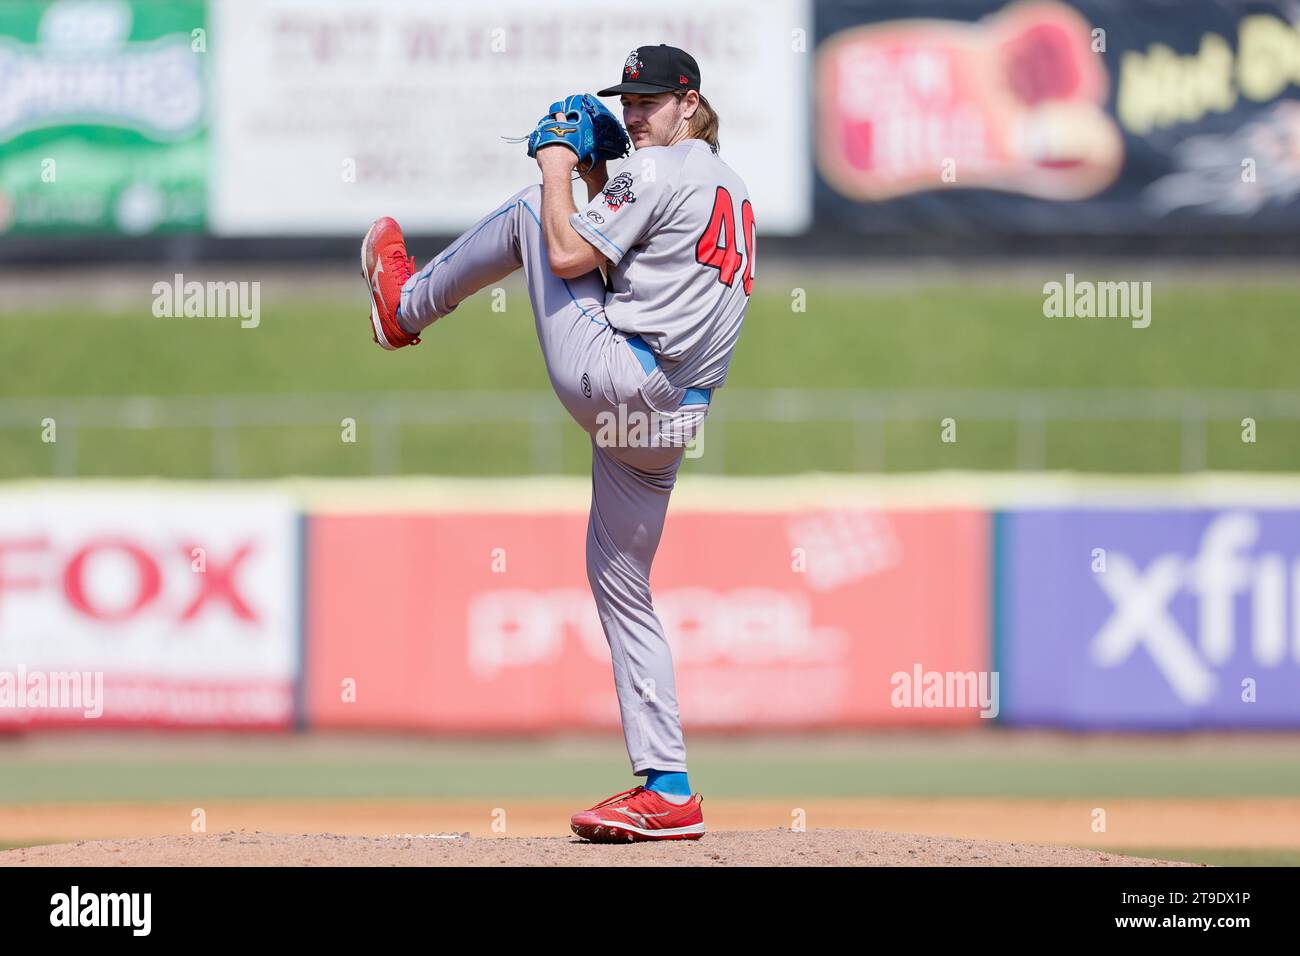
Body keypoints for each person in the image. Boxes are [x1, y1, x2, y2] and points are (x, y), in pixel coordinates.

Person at [360, 44, 755, 843]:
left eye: (648, 101)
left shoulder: (661, 168)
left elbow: (570, 252)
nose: (635, 113)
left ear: (690, 103)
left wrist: (557, 165)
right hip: (674, 418)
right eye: (629, 101)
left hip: (622, 379)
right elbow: (632, 266)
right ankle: (668, 787)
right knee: (623, 588)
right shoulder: (731, 185)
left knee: (523, 216)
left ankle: (405, 309)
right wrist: (603, 177)